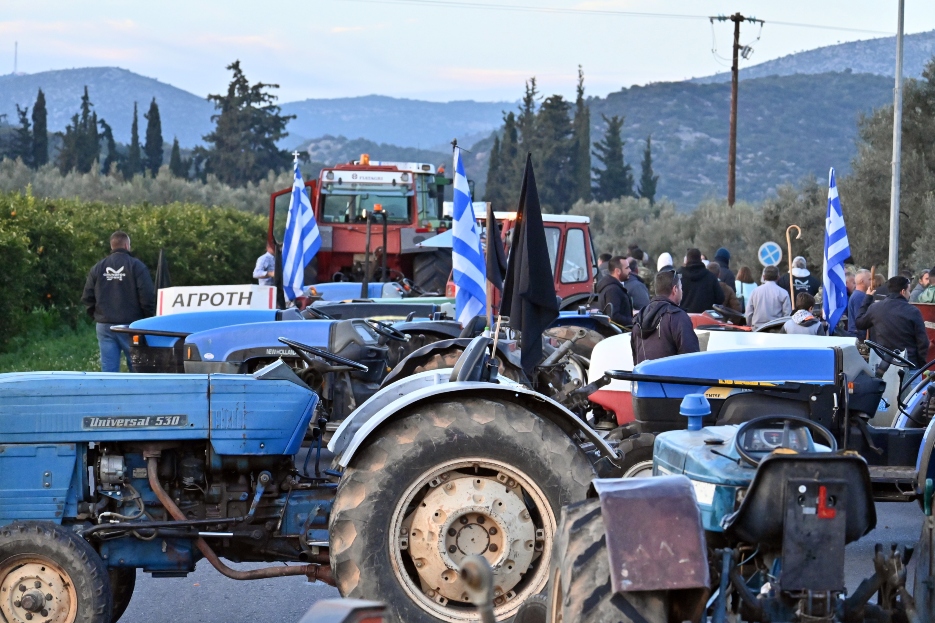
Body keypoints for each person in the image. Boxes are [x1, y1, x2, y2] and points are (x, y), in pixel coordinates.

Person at [81, 230, 156, 372]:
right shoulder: (137, 266)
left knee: (109, 371)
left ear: (112, 246)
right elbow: (147, 296)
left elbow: (87, 297)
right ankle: (134, 394)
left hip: (105, 326)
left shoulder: (98, 267)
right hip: (132, 326)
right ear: (127, 245)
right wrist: (146, 320)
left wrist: (98, 316)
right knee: (137, 368)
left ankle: (110, 393)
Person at [855, 275, 930, 368]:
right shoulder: (913, 311)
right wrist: (920, 364)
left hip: (884, 364)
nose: (909, 294)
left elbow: (859, 323)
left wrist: (868, 298)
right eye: (908, 291)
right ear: (903, 291)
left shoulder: (875, 308)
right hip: (909, 363)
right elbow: (923, 341)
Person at [631, 270, 700, 364]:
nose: (682, 292)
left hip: (643, 377)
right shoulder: (678, 316)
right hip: (670, 377)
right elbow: (691, 358)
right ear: (675, 289)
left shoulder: (639, 317)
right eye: (681, 288)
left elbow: (635, 358)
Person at [745, 265, 792, 330]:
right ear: (778, 277)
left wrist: (749, 325)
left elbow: (749, 313)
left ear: (763, 277)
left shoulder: (755, 292)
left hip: (757, 329)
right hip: (776, 330)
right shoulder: (783, 293)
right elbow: (787, 315)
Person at [678, 248, 724, 313]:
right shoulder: (710, 277)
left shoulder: (678, 276)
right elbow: (720, 299)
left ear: (687, 259)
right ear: (700, 259)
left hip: (683, 319)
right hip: (705, 320)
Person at [596, 256, 633, 326]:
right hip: (617, 334)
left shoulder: (612, 287)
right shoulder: (613, 290)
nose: (630, 270)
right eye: (627, 268)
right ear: (617, 271)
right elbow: (614, 317)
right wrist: (634, 321)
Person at [847, 269, 870, 339]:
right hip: (858, 336)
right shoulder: (860, 296)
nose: (872, 282)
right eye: (869, 279)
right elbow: (860, 319)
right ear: (862, 281)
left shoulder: (857, 295)